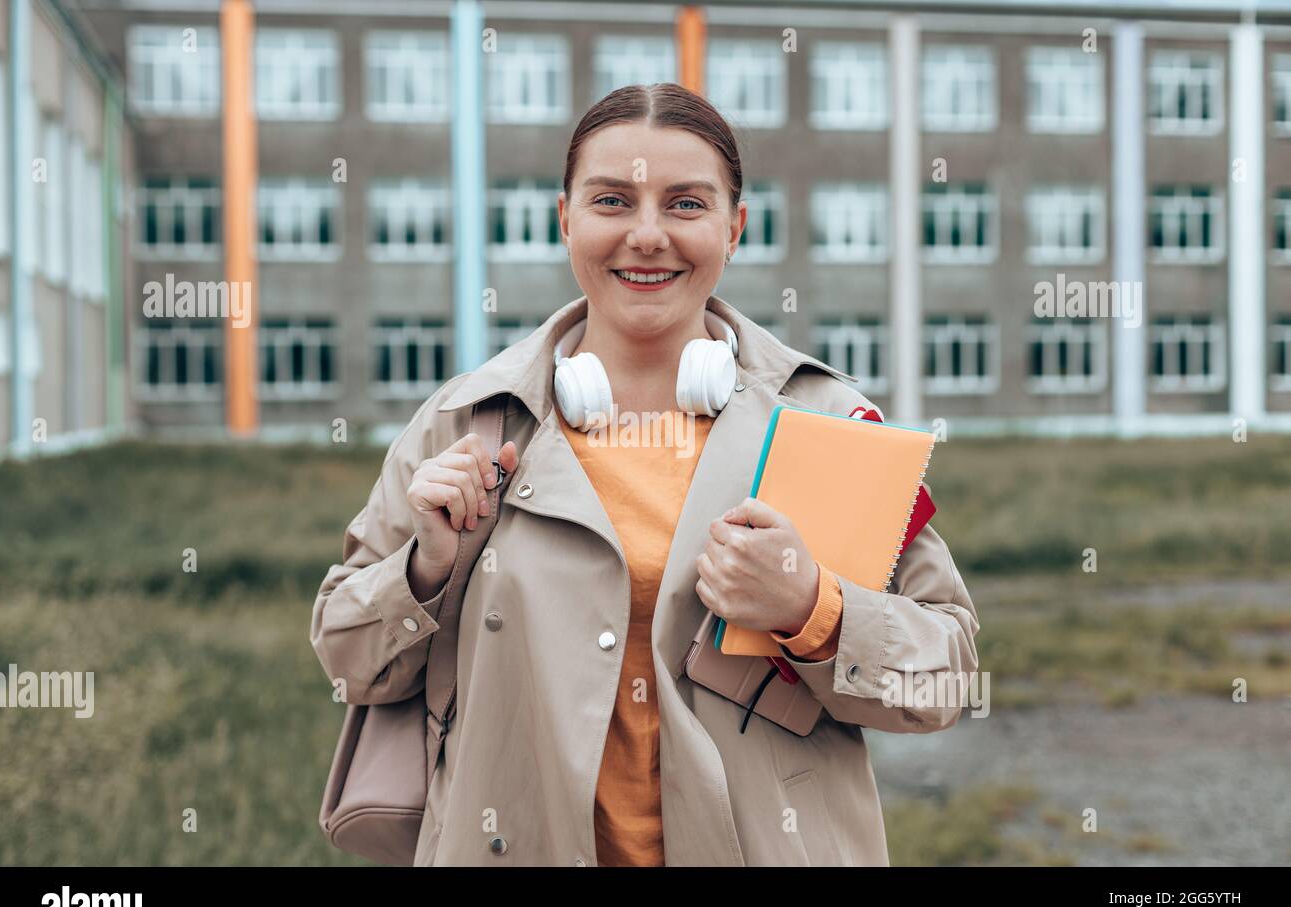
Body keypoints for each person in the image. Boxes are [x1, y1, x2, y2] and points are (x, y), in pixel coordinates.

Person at [310, 83, 980, 866]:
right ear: (565, 219)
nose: (648, 234)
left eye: (686, 204)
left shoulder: (829, 425)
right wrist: (424, 571)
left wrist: (813, 609)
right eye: (613, 201)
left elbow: (946, 679)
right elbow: (345, 656)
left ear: (736, 226)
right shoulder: (466, 422)